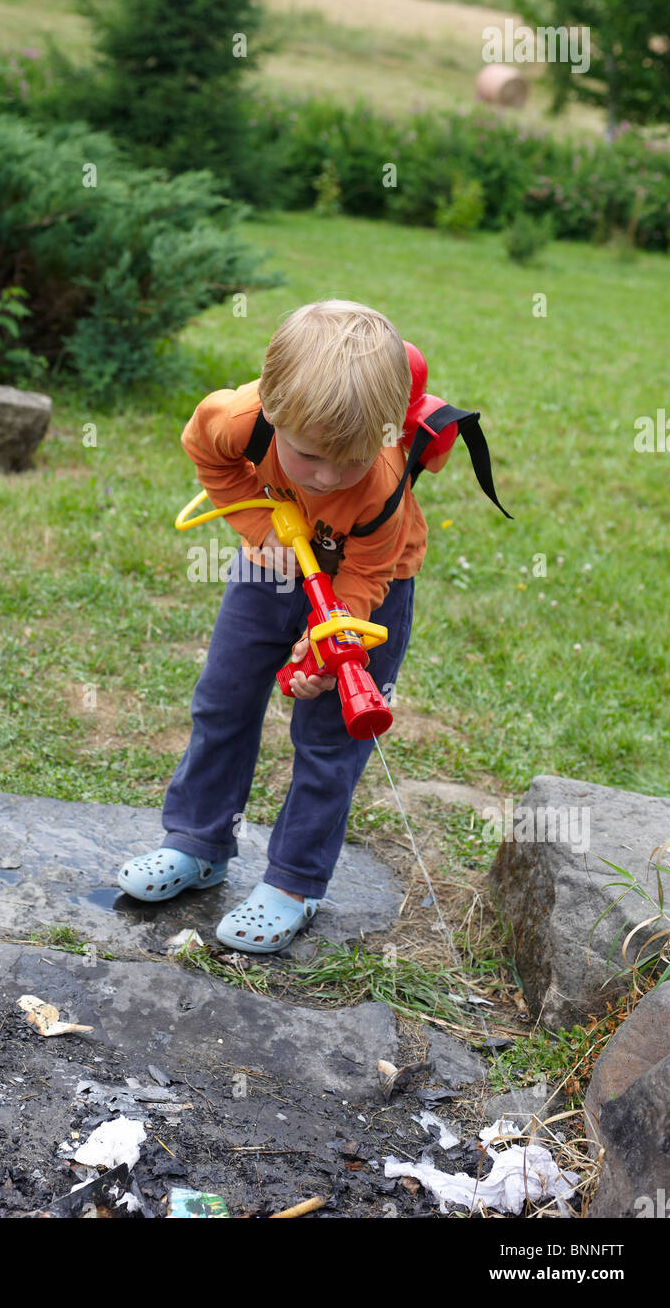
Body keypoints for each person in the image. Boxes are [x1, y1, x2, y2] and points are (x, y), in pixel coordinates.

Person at [117, 299, 429, 952]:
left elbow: (368, 573)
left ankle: (294, 882)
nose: (327, 475)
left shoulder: (381, 482)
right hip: (268, 568)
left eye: (349, 460)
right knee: (223, 702)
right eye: (310, 455)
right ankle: (198, 843)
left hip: (362, 588)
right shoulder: (235, 419)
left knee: (330, 739)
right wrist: (260, 530)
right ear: (274, 413)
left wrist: (329, 649)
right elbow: (207, 458)